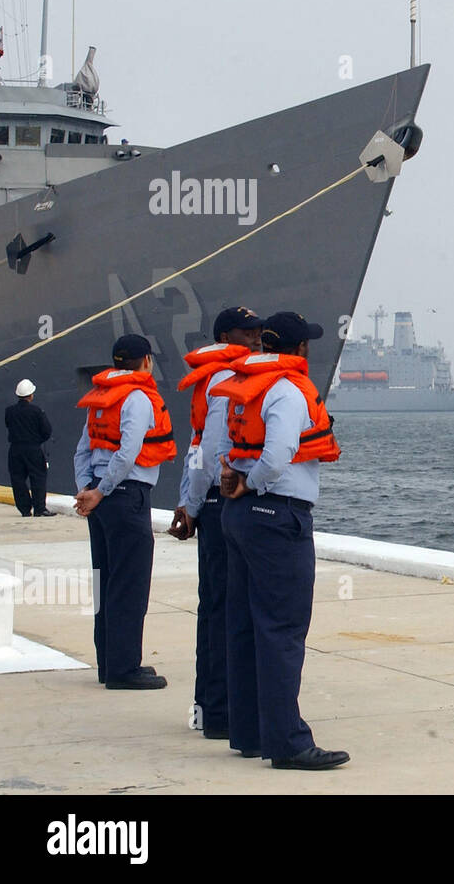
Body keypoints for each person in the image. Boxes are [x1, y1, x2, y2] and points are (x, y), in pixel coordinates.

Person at [211, 312, 348, 770]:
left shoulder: (241, 386)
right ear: (301, 349)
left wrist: (231, 482)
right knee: (282, 629)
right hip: (277, 516)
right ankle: (288, 742)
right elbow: (279, 454)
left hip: (237, 518)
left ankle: (249, 733)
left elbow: (217, 446)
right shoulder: (288, 390)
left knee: (245, 625)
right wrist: (252, 484)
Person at [170, 307, 263, 743]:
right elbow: (210, 452)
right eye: (247, 333)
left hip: (207, 500)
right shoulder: (226, 381)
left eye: (259, 333)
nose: (256, 340)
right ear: (225, 335)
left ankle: (210, 707)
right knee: (225, 610)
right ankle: (220, 711)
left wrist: (188, 502)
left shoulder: (217, 377)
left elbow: (195, 449)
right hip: (218, 502)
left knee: (214, 609)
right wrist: (191, 505)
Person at [73, 335, 176, 689]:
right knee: (129, 584)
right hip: (125, 495)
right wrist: (100, 493)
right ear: (146, 360)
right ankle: (124, 669)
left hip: (101, 495)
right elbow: (128, 453)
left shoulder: (100, 399)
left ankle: (109, 664)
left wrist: (87, 489)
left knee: (105, 581)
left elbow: (82, 451)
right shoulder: (137, 398)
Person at [5, 379, 53, 517]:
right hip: (33, 448)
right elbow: (47, 430)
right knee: (38, 477)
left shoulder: (9, 411)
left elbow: (8, 425)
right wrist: (37, 441)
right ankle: (39, 508)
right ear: (31, 395)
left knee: (18, 479)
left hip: (15, 449)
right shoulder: (36, 411)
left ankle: (25, 509)